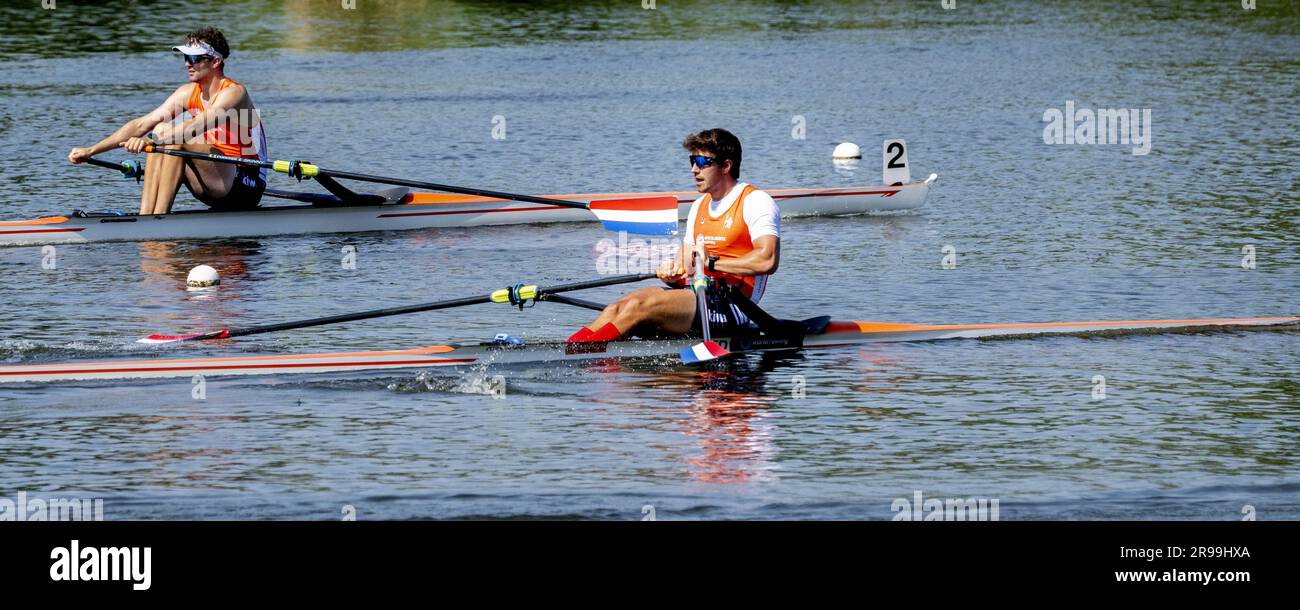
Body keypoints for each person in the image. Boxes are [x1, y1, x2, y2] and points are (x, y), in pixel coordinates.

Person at [568, 128, 780, 343]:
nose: (694, 169)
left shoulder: (755, 201)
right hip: (699, 295)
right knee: (618, 307)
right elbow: (685, 266)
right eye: (692, 161)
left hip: (735, 306)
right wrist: (672, 271)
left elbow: (767, 260)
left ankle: (587, 355)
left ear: (726, 166)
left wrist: (712, 264)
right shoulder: (699, 206)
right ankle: (572, 348)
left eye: (702, 161)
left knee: (641, 306)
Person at [68, 27, 267, 215]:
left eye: (195, 58)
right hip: (214, 180)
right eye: (186, 57)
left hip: (246, 186)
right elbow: (141, 125)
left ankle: (159, 219)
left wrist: (151, 141)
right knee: (161, 129)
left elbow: (195, 127)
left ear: (215, 62)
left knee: (169, 136)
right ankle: (147, 216)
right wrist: (91, 151)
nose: (187, 63)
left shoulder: (234, 93)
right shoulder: (187, 93)